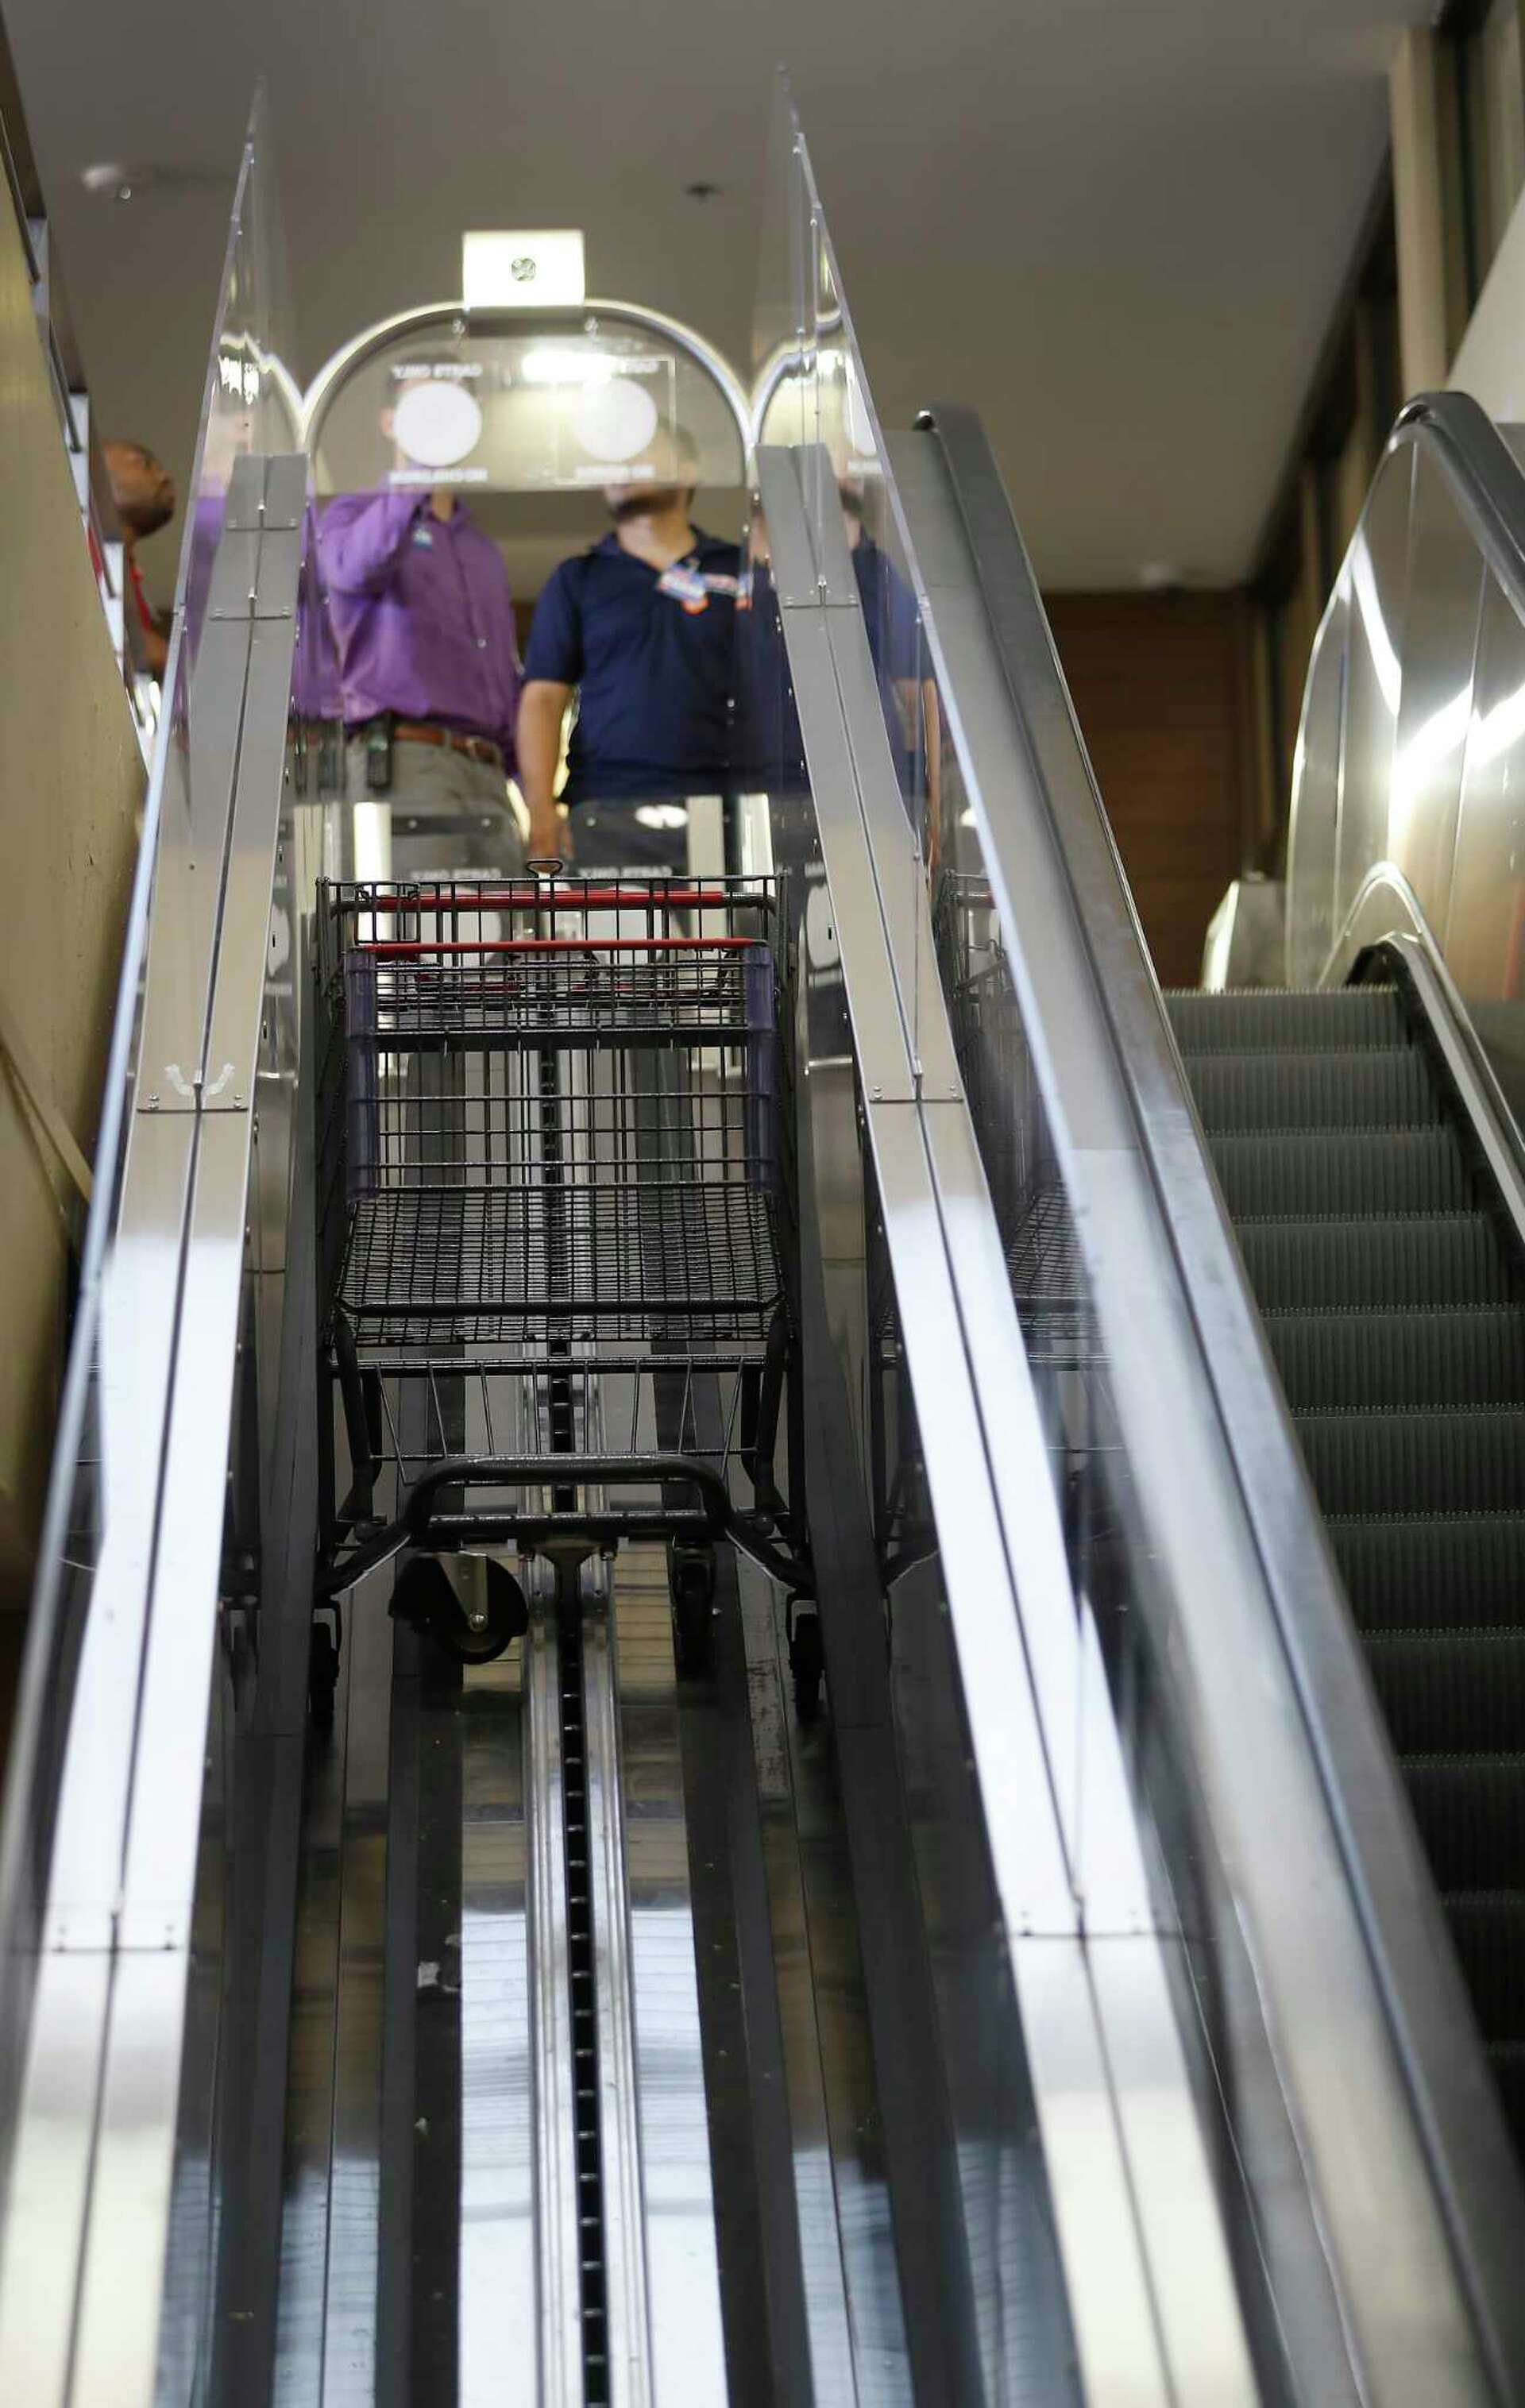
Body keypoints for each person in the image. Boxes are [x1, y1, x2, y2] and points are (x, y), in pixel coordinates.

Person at [516, 430, 740, 867]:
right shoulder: (578, 578)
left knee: (733, 938)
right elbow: (543, 699)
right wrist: (540, 809)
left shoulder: (738, 570)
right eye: (610, 455)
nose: (618, 465)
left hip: (726, 807)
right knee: (618, 937)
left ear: (688, 470)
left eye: (635, 450)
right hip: (605, 807)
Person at [319, 421, 523, 874]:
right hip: (409, 760)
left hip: (489, 769)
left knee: (506, 939)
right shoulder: (353, 515)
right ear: (390, 420)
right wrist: (417, 476)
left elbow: (504, 672)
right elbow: (351, 571)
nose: (442, 415)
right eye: (427, 402)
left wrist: (529, 787)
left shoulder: (481, 547)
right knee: (417, 937)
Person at [102, 439, 175, 679]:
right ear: (97, 476)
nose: (164, 478)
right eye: (144, 464)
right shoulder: (79, 549)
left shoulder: (126, 568)